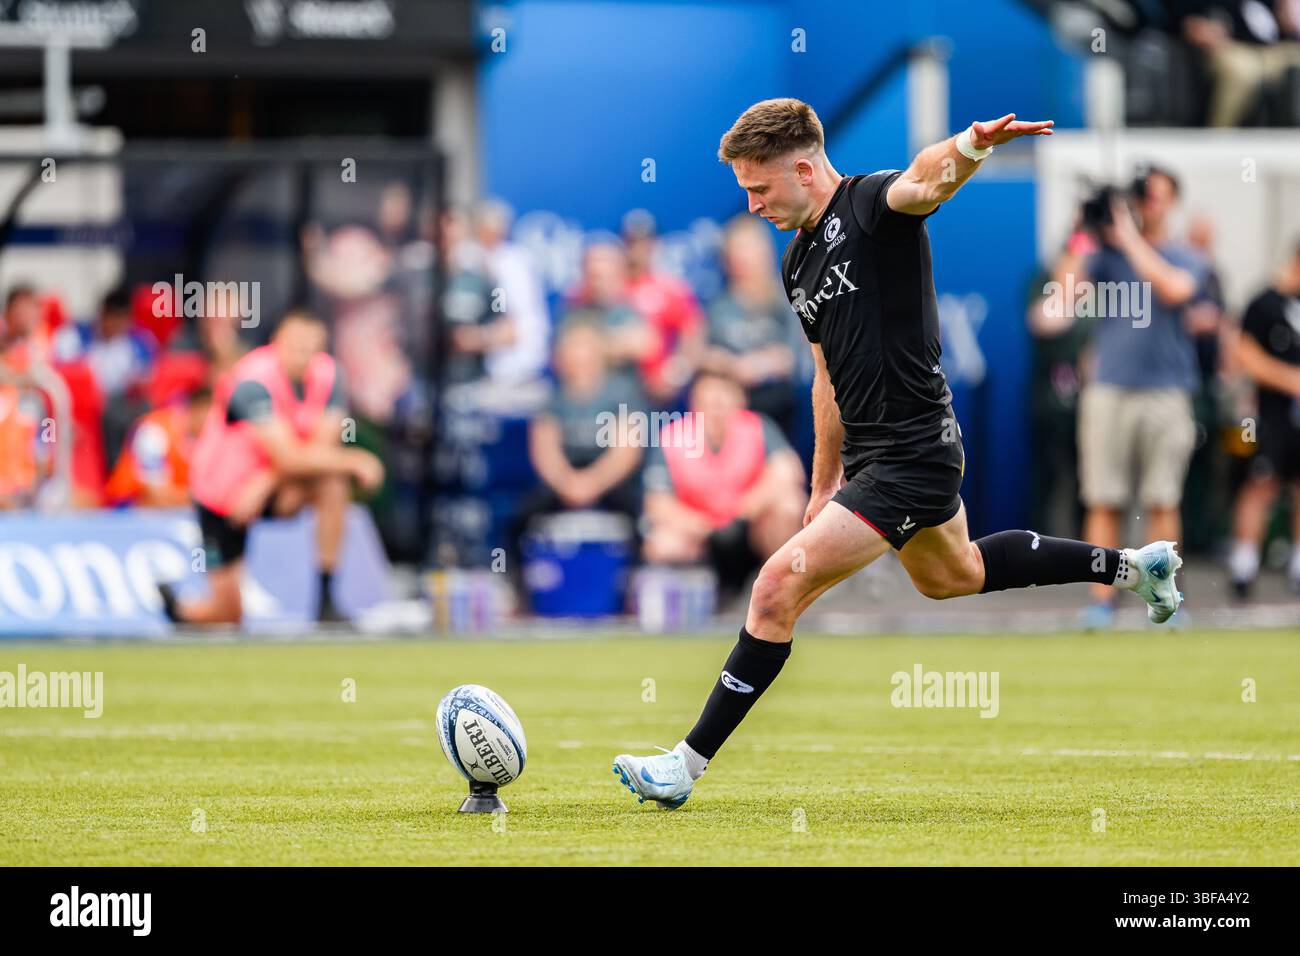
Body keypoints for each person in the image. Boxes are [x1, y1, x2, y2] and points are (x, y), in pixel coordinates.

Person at [610, 98, 1184, 810]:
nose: (752, 205)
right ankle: (1135, 566)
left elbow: (927, 181)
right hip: (888, 458)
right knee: (954, 573)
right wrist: (824, 487)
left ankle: (683, 767)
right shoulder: (796, 263)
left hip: (913, 455)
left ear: (803, 166)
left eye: (759, 188)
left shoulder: (871, 206)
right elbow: (826, 381)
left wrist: (972, 146)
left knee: (772, 589)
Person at [158, 310, 384, 626]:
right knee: (227, 614)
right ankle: (180, 610)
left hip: (270, 488)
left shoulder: (329, 375)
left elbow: (320, 447)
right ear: (277, 343)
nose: (303, 357)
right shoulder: (251, 380)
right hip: (219, 497)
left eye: (311, 348)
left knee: (333, 481)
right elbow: (290, 456)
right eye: (295, 347)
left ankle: (326, 597)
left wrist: (266, 479)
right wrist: (356, 460)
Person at [1057, 166, 1208, 629]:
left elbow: (1174, 289)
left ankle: (1164, 600)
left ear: (1172, 202)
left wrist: (1127, 237)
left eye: (1156, 197)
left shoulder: (1184, 255)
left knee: (1162, 498)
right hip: (1110, 390)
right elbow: (1061, 300)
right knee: (1104, 499)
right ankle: (1100, 603)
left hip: (1166, 391)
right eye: (1143, 196)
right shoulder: (1105, 254)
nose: (1147, 206)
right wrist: (1082, 234)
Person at [641, 371, 805, 600]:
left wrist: (747, 507)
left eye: (722, 400)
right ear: (693, 405)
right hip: (702, 534)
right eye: (707, 401)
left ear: (739, 401)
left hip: (749, 527)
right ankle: (696, 603)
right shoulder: (673, 436)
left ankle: (778, 593)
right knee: (662, 542)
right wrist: (701, 525)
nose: (715, 409)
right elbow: (657, 502)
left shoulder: (757, 427)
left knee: (789, 505)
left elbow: (788, 470)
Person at [515, 322, 644, 561]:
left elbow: (625, 453)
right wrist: (568, 484)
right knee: (519, 520)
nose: (580, 362)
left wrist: (592, 484)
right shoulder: (554, 398)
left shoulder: (621, 393)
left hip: (611, 482)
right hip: (566, 480)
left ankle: (628, 587)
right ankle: (522, 589)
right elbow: (545, 450)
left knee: (639, 524)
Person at [1227, 241, 1300, 595]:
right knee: (1262, 482)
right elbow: (1244, 353)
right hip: (1268, 414)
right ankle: (1244, 563)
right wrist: (1289, 380)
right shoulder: (1265, 303)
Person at [698, 216, 803, 440]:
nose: (745, 258)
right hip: (735, 406)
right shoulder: (719, 307)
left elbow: (798, 354)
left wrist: (760, 365)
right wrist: (730, 365)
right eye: (738, 250)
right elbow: (704, 355)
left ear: (766, 252)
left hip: (785, 402)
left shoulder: (788, 297)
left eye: (751, 248)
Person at [104, 387, 211, 508]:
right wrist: (204, 497)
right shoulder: (153, 431)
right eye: (212, 414)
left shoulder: (202, 440)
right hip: (126, 509)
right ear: (198, 410)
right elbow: (156, 495)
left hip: (174, 512)